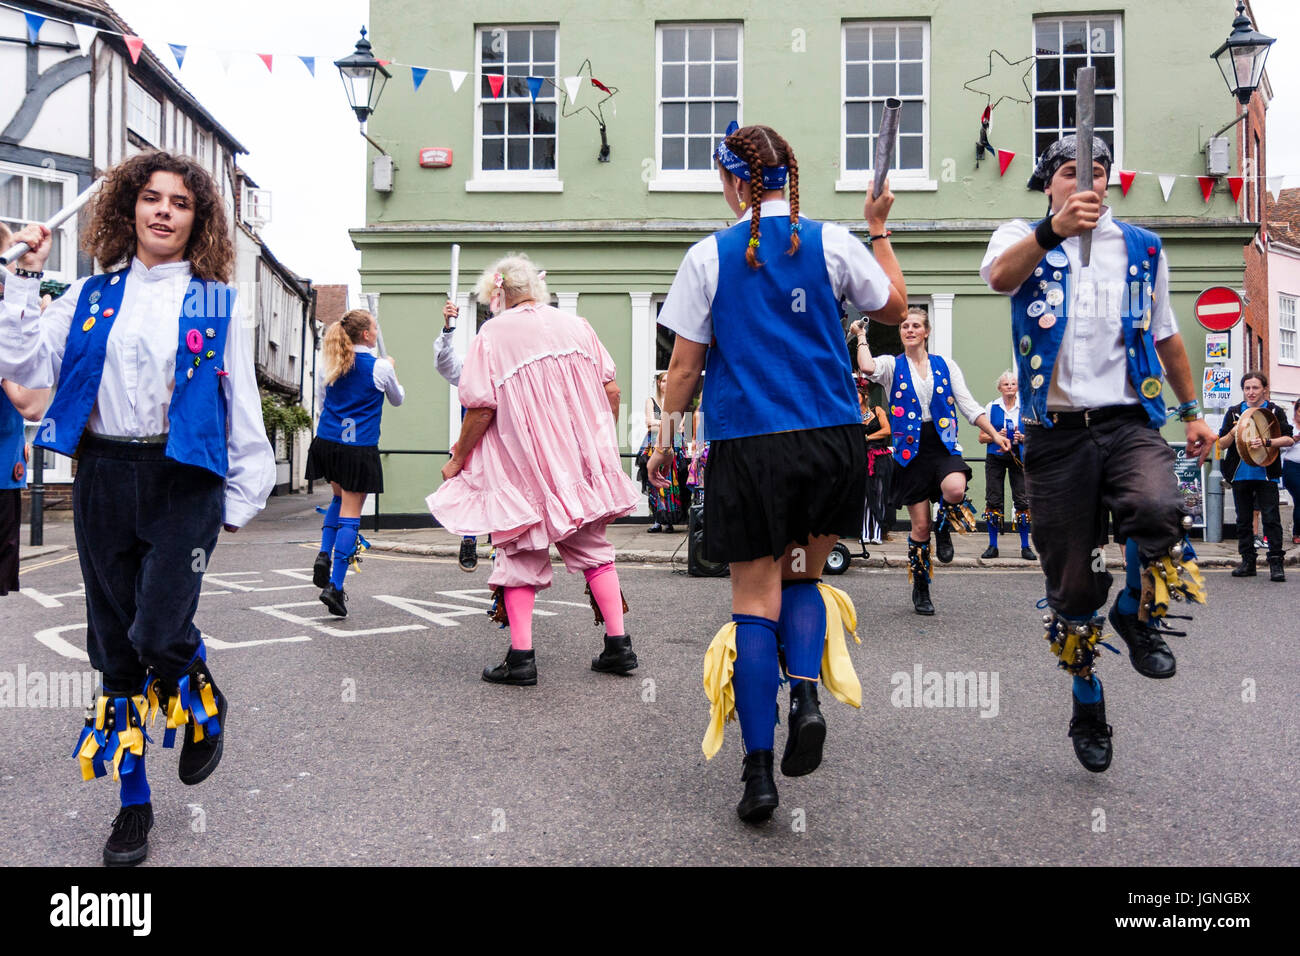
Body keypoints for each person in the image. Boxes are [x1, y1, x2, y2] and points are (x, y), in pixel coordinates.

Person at [0, 150, 276, 864]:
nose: (163, 211)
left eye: (179, 203)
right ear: (129, 208)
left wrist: (245, 494)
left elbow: (238, 398)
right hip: (102, 474)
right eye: (151, 198)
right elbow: (26, 367)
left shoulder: (215, 299)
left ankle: (202, 700)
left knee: (158, 631)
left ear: (198, 218)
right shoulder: (89, 295)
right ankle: (133, 805)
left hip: (182, 476)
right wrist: (24, 277)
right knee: (115, 651)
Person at [650, 122, 907, 824]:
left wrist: (666, 439)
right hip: (830, 443)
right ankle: (805, 696)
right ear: (783, 176)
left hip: (751, 448)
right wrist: (878, 228)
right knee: (803, 576)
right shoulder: (830, 241)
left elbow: (683, 369)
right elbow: (895, 306)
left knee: (753, 600)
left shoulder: (709, 256)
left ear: (735, 182)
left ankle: (759, 774)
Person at [980, 133, 1214, 773]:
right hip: (1054, 433)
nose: (1088, 179)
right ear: (1048, 183)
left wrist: (1192, 412)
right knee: (1072, 585)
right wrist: (1052, 231)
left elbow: (1165, 334)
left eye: (1099, 169)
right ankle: (1089, 700)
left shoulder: (1142, 248)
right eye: (1069, 170)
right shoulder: (1018, 238)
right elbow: (1000, 278)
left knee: (1160, 506)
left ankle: (1137, 613)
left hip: (1127, 418)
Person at [428, 254, 641, 686]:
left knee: (521, 550)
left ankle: (522, 659)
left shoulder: (492, 333)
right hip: (578, 462)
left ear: (498, 291)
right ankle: (619, 646)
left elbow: (481, 408)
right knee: (593, 548)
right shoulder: (576, 325)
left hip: (520, 462)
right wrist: (597, 444)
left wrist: (457, 459)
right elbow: (612, 390)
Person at [856, 309, 1012, 614]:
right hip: (910, 452)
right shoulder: (891, 365)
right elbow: (866, 366)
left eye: (916, 325)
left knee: (955, 490)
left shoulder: (945, 365)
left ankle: (945, 527)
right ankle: (921, 587)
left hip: (942, 444)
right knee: (920, 527)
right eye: (905, 326)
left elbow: (968, 405)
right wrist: (862, 335)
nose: (909, 330)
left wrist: (994, 434)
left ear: (926, 331)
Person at [306, 309, 405, 615]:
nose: (377, 333)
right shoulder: (378, 367)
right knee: (352, 512)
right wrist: (390, 368)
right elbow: (397, 398)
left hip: (328, 441)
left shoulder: (332, 364)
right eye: (375, 328)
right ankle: (335, 586)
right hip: (357, 447)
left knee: (337, 497)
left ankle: (324, 553)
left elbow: (323, 402)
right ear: (366, 335)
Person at [1215, 370, 1294, 582]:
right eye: (1247, 388)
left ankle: (1276, 564)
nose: (1251, 392)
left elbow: (1288, 439)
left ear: (1264, 389)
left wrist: (1267, 442)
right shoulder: (1233, 412)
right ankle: (1247, 562)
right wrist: (1233, 432)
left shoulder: (1274, 411)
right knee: (1243, 521)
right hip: (1240, 474)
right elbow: (1220, 444)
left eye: (1255, 388)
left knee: (1271, 519)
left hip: (1266, 474)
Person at [435, 300, 482, 571]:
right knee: (470, 493)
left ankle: (504, 563)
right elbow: (444, 363)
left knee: (507, 501)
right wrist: (447, 328)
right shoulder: (468, 366)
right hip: (473, 441)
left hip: (510, 444)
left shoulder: (517, 365)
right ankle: (468, 538)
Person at [978, 370, 1035, 561]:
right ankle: (992, 546)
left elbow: (1036, 437)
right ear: (999, 388)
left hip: (1019, 458)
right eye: (1006, 384)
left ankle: (1025, 546)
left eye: (1013, 384)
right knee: (993, 500)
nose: (1010, 387)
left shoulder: (1026, 407)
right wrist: (996, 436)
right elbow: (981, 438)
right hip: (995, 458)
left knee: (1022, 500)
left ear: (1018, 387)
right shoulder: (991, 407)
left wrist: (1023, 438)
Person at [637, 372, 685, 532]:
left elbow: (681, 427)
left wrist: (662, 425)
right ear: (659, 383)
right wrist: (669, 423)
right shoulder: (651, 401)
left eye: (669, 381)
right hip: (653, 445)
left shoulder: (678, 402)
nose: (666, 384)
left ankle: (669, 521)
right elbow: (649, 422)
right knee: (654, 483)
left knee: (671, 483)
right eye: (664, 381)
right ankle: (657, 520)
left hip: (673, 446)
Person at [859, 382, 892, 547]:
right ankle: (865, 532)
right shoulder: (853, 414)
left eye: (856, 393)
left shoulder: (877, 410)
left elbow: (887, 430)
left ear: (864, 396)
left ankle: (877, 532)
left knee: (879, 493)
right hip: (862, 458)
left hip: (879, 457)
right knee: (865, 495)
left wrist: (868, 438)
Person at [1283, 404, 1300, 546]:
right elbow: (1279, 446)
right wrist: (1293, 440)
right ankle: (1297, 533)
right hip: (1292, 467)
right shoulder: (1289, 426)